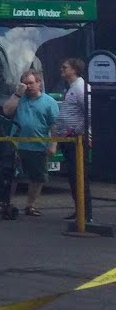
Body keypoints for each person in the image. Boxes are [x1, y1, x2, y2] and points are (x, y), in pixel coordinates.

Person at [2, 68, 59, 216]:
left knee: (37, 177)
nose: (28, 86)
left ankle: (30, 205)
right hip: (17, 144)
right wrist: (17, 94)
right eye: (25, 83)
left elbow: (54, 125)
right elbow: (7, 111)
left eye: (31, 83)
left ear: (39, 83)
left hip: (38, 145)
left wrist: (53, 145)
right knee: (12, 176)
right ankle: (7, 203)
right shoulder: (19, 98)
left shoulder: (49, 102)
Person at [52, 57, 94, 221]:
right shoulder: (72, 88)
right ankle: (80, 211)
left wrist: (77, 131)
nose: (61, 69)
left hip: (77, 140)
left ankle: (86, 215)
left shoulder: (81, 88)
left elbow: (90, 111)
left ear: (74, 70)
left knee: (79, 176)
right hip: (69, 140)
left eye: (65, 67)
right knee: (73, 177)